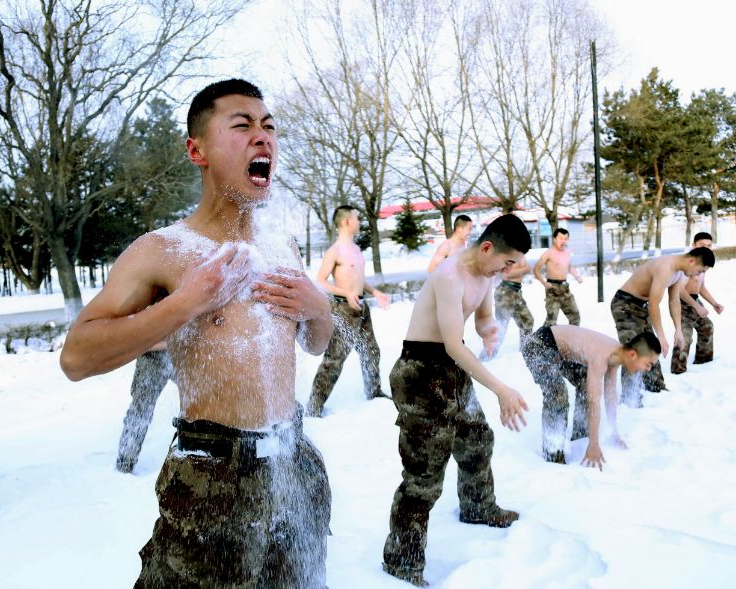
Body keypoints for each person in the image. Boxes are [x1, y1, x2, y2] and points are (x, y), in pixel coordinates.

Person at [60, 79, 334, 589]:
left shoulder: (284, 246)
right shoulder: (164, 250)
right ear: (196, 150)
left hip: (294, 461)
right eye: (243, 126)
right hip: (215, 478)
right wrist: (187, 303)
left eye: (269, 127)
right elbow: (76, 358)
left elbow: (314, 344)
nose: (263, 138)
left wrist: (320, 309)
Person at [382, 214, 531, 588]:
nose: (509, 270)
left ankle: (479, 507)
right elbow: (452, 343)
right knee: (424, 477)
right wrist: (501, 388)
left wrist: (488, 330)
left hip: (451, 369)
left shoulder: (486, 274)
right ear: (486, 248)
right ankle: (402, 562)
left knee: (477, 439)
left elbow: (481, 315)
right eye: (507, 261)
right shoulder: (449, 275)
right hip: (420, 373)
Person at [521, 326, 660, 467]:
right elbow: (594, 401)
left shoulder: (617, 356)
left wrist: (614, 433)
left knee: (585, 384)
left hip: (558, 351)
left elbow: (610, 397)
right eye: (648, 364)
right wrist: (594, 444)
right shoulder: (602, 355)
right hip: (538, 344)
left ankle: (580, 438)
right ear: (632, 355)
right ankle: (553, 454)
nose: (648, 369)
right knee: (558, 394)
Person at [306, 204, 390, 417]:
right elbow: (321, 281)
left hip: (362, 308)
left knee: (371, 351)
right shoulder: (335, 251)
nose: (359, 222)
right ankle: (314, 408)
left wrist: (375, 291)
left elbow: (359, 279)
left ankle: (374, 391)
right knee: (334, 360)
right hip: (343, 309)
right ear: (346, 222)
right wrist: (346, 293)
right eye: (356, 218)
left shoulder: (355, 249)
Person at [610, 247, 715, 407]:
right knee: (634, 350)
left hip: (641, 306)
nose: (697, 275)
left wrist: (678, 331)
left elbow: (674, 302)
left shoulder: (679, 271)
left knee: (650, 349)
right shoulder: (666, 267)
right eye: (699, 270)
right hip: (625, 304)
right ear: (692, 261)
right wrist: (661, 336)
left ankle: (655, 387)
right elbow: (654, 304)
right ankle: (630, 398)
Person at [115, 343, 174, 473]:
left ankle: (203, 454)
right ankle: (125, 462)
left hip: (185, 350)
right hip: (152, 356)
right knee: (140, 411)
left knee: (202, 401)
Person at [671, 233, 724, 375]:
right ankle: (678, 369)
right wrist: (696, 305)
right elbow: (680, 290)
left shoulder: (703, 262)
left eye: (709, 245)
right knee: (684, 336)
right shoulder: (689, 262)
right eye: (702, 245)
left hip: (695, 300)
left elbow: (700, 286)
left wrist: (714, 303)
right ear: (694, 245)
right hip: (682, 302)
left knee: (707, 327)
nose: (706, 248)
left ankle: (703, 361)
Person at [533, 227, 582, 326]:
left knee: (575, 316)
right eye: (560, 238)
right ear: (554, 239)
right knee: (551, 321)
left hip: (565, 288)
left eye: (565, 238)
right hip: (552, 288)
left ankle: (570, 339)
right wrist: (544, 282)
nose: (563, 241)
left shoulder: (567, 252)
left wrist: (577, 276)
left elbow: (568, 266)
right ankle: (542, 341)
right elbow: (536, 269)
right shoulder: (549, 253)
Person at [491, 258, 534, 354]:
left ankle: (525, 349)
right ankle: (487, 356)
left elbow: (528, 269)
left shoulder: (520, 254)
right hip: (505, 292)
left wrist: (520, 270)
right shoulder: (506, 253)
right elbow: (506, 275)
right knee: (501, 327)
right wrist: (523, 269)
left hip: (517, 292)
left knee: (527, 321)